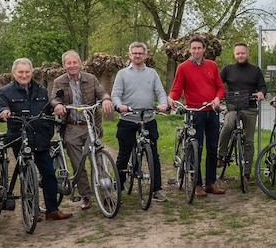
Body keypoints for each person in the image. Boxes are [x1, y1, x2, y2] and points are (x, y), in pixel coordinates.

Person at [0, 58, 70, 221]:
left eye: (27, 72)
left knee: (49, 174)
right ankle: (32, 210)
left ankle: (52, 210)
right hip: (20, 139)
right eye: (20, 72)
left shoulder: (41, 90)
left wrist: (50, 124)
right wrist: (4, 112)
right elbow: (1, 107)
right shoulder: (5, 91)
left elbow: (48, 112)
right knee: (27, 175)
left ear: (32, 72)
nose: (24, 75)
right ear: (14, 73)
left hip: (40, 139)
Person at [49, 50, 114, 210]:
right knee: (78, 165)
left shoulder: (90, 78)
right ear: (64, 65)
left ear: (80, 63)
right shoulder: (59, 81)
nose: (72, 66)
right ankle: (86, 196)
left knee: (99, 160)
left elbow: (102, 92)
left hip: (91, 125)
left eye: (74, 62)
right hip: (71, 127)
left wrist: (106, 99)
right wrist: (57, 105)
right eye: (68, 63)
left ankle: (107, 195)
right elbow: (53, 98)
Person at [112, 42, 170, 201]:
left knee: (154, 154)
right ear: (130, 55)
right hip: (128, 119)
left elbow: (160, 92)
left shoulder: (152, 73)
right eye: (134, 53)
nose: (137, 55)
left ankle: (157, 189)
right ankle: (118, 187)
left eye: (140, 53)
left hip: (148, 117)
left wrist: (163, 104)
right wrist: (119, 105)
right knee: (123, 155)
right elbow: (115, 94)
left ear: (145, 55)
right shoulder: (122, 74)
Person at [168, 36, 226, 196]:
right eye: (193, 48)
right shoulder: (183, 67)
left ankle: (210, 183)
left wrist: (217, 98)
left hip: (212, 111)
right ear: (189, 50)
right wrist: (171, 98)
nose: (196, 51)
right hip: (194, 112)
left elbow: (220, 87)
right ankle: (197, 184)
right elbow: (177, 89)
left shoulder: (212, 66)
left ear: (204, 49)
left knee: (213, 148)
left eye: (199, 48)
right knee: (196, 149)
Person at [217, 42, 267, 185]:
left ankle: (246, 173)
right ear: (234, 54)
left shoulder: (255, 70)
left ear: (247, 53)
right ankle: (221, 155)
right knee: (227, 125)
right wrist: (218, 96)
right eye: (238, 53)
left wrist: (261, 93)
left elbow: (263, 86)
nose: (240, 56)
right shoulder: (228, 69)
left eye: (242, 53)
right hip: (233, 107)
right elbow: (218, 84)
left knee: (249, 142)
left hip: (250, 107)